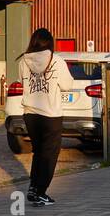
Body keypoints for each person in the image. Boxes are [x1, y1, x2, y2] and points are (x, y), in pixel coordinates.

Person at [17, 27, 70, 206]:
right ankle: (40, 191)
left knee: (38, 152)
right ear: (50, 43)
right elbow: (67, 85)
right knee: (49, 155)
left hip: (30, 114)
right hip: (51, 115)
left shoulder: (23, 61)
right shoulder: (56, 61)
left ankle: (34, 188)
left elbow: (21, 81)